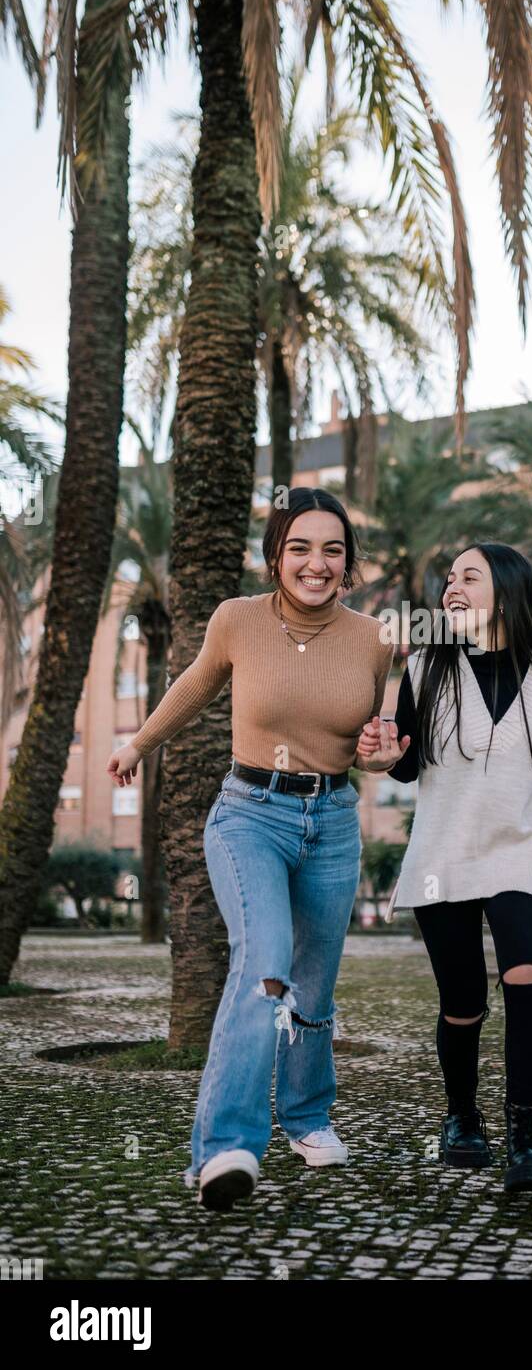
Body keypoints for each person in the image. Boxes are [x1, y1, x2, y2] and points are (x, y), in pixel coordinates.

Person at [107, 488, 395, 1211]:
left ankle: (305, 1116)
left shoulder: (372, 638)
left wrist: (380, 756)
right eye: (300, 547)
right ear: (276, 555)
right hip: (248, 815)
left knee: (314, 986)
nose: (315, 563)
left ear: (348, 564)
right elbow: (196, 685)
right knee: (264, 964)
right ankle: (225, 1149)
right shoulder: (237, 620)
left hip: (331, 820)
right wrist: (139, 742)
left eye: (332, 549)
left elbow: (373, 742)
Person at [355, 542, 532, 1194]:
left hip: (520, 853)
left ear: (507, 590)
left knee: (527, 976)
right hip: (443, 855)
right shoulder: (426, 668)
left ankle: (526, 1140)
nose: (452, 587)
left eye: (469, 576)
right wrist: (380, 757)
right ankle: (462, 1117)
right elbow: (403, 760)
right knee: (462, 1004)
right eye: (449, 578)